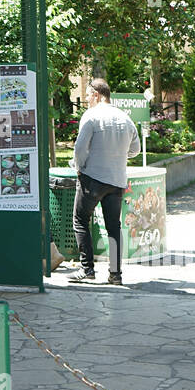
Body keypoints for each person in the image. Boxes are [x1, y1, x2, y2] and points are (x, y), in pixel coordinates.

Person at [69, 78, 140, 285]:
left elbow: (80, 148)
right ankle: (115, 274)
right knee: (114, 227)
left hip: (92, 178)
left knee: (80, 221)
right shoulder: (125, 118)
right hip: (117, 180)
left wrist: (79, 167)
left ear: (97, 94)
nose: (88, 99)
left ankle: (86, 269)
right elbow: (135, 150)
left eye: (89, 95)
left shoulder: (90, 116)